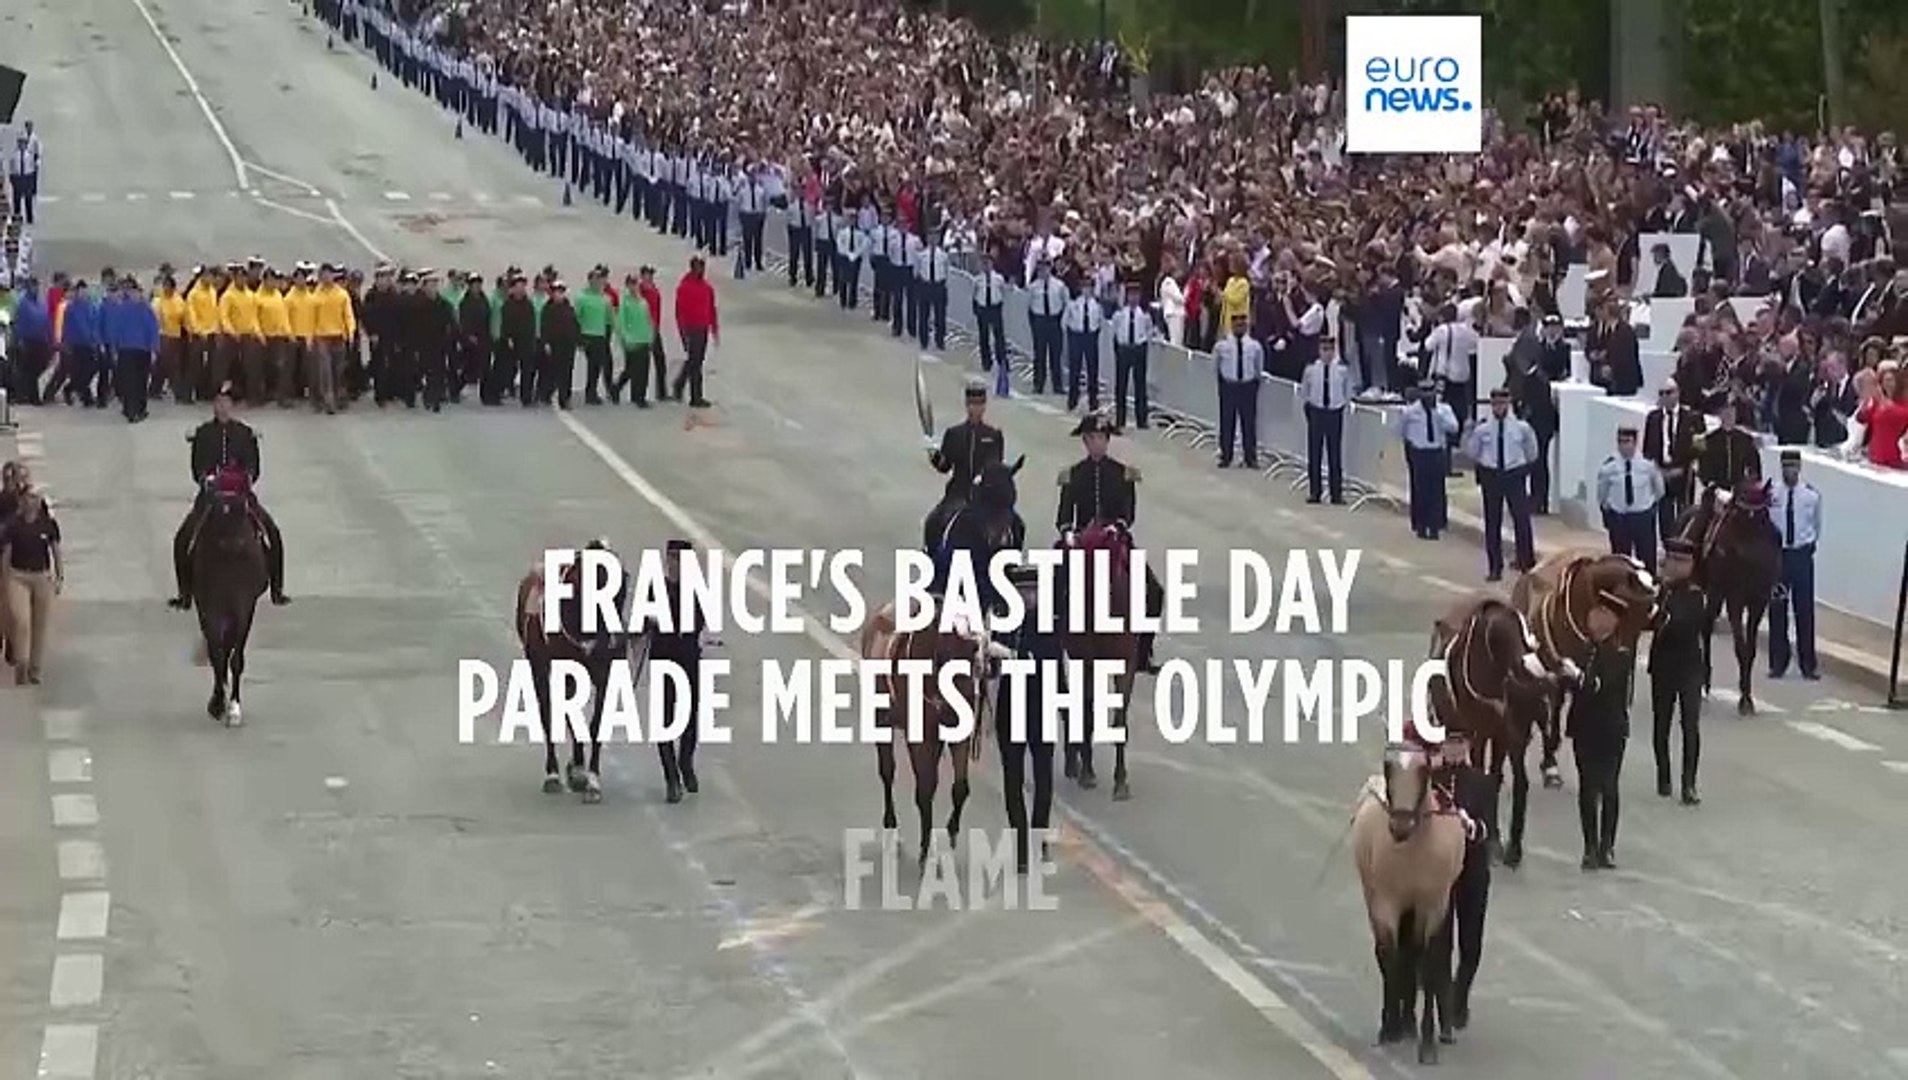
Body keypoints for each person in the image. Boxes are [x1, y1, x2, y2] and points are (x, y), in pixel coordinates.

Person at [1056, 412, 1164, 671]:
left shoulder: (1122, 474)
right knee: (1052, 587)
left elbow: (1128, 513)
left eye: (1102, 438)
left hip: (1115, 540)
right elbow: (1063, 516)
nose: (1097, 443)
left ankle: (1143, 651)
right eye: (1092, 438)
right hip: (1082, 542)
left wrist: (1117, 527)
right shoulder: (1073, 475)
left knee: (1153, 591)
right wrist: (1069, 533)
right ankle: (1051, 643)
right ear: (1085, 441)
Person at [170, 385, 289, 608]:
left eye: (225, 403)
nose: (221, 407)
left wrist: (246, 479)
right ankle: (185, 594)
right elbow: (197, 468)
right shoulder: (203, 433)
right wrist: (207, 481)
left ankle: (277, 589)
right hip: (210, 498)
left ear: (232, 406)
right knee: (182, 539)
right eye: (217, 403)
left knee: (272, 532)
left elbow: (254, 466)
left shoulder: (244, 433)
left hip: (241, 496)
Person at [1436, 728, 1495, 1031]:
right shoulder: (1433, 782)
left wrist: (1472, 827)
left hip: (1472, 871)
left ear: (1468, 746)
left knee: (1471, 945)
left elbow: (1490, 833)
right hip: (1443, 875)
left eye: (1459, 743)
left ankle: (1460, 996)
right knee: (1440, 944)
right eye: (1448, 743)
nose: (1453, 749)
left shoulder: (1482, 782)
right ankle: (1445, 1006)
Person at [642, 538, 705, 804]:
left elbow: (702, 621)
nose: (673, 565)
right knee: (663, 721)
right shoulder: (656, 587)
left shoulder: (696, 590)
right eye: (671, 559)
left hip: (688, 659)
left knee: (690, 718)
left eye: (678, 560)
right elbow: (642, 618)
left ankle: (685, 761)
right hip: (662, 659)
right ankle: (671, 779)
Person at [1568, 609, 1631, 871]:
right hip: (1584, 728)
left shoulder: (1620, 655)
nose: (1593, 623)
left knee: (1609, 787)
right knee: (1587, 788)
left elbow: (1598, 686)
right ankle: (1590, 847)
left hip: (1610, 729)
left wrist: (1575, 675)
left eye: (1600, 619)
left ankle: (1607, 846)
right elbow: (1571, 688)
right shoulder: (1581, 652)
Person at [1648, 537, 1706, 805]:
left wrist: (1660, 616)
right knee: (1661, 724)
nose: (1676, 566)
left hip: (1689, 667)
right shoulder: (1659, 590)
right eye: (1672, 561)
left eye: (1683, 562)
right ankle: (1663, 775)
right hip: (1662, 665)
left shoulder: (1695, 594)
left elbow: (1682, 624)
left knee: (1690, 726)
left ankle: (1689, 783)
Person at [1466, 387, 1539, 582]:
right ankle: (1495, 567)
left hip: (1514, 474)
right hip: (1492, 475)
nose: (1499, 407)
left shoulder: (1521, 428)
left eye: (1502, 403)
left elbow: (1532, 452)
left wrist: (1521, 466)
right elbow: (1472, 452)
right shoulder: (1483, 429)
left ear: (1509, 403)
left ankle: (1526, 561)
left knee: (1521, 520)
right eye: (1496, 403)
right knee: (1492, 522)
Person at [925, 381, 1006, 552]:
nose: (975, 409)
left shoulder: (993, 436)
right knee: (933, 522)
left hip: (985, 496)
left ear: (984, 407)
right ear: (966, 406)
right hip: (958, 493)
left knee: (1015, 525)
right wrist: (935, 457)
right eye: (972, 404)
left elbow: (996, 466)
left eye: (979, 404)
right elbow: (945, 466)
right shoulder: (954, 434)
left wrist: (985, 480)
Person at [1767, 449, 1822, 680]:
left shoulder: (1811, 495)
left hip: (1800, 555)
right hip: (1779, 557)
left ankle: (1807, 664)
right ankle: (1778, 662)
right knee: (1777, 609)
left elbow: (1817, 525)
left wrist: (1808, 546)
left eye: (1793, 467)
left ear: (1799, 468)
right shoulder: (1772, 494)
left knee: (1804, 610)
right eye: (1785, 467)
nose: (1789, 471)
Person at [0, 490, 61, 685]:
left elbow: (55, 550)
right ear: (22, 502)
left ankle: (35, 669)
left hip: (41, 576)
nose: (31, 502)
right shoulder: (13, 525)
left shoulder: (47, 524)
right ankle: (22, 661)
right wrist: (5, 578)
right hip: (18, 576)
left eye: (34, 498)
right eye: (27, 498)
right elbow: (6, 554)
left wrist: (59, 575)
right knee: (21, 620)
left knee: (39, 624)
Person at [1597, 427, 1664, 574]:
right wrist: (1609, 510)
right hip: (1620, 518)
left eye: (1627, 441)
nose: (1624, 446)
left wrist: (1650, 505)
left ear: (1635, 443)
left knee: (1646, 557)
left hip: (1642, 516)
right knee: (1620, 559)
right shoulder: (1609, 467)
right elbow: (1602, 493)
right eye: (1620, 442)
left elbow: (1659, 490)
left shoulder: (1647, 465)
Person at [1642, 381, 1702, 539]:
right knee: (1664, 514)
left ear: (1677, 393)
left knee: (1684, 513)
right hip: (1661, 473)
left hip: (1684, 474)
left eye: (1668, 393)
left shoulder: (1693, 418)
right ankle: (1667, 545)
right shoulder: (1653, 418)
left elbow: (1700, 448)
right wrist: (1657, 470)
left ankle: (1682, 545)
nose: (1665, 397)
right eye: (1661, 393)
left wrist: (1683, 467)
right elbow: (1648, 449)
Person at [1400, 382, 1459, 539]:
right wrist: (1412, 444)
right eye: (1424, 392)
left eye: (1430, 392)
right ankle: (1420, 525)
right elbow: (1401, 430)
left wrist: (1437, 415)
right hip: (1420, 452)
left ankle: (1434, 526)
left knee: (1436, 489)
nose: (1427, 395)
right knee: (1420, 490)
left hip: (1437, 451)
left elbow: (1454, 427)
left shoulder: (1444, 409)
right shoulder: (1410, 411)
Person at [1300, 333, 1351, 504]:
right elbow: (1305, 393)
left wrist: (1342, 405)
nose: (1327, 353)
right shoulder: (1311, 370)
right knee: (1315, 453)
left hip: (1334, 412)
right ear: (1319, 351)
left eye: (1330, 350)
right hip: (1317, 411)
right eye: (1324, 349)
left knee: (1334, 454)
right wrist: (1310, 409)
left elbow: (1347, 393)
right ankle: (1315, 492)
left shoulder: (1342, 371)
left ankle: (1336, 493)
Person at [1212, 311, 1264, 469]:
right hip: (1229, 385)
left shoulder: (1254, 346)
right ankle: (1226, 455)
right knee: (1227, 421)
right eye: (1236, 324)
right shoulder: (1222, 345)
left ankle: (1250, 457)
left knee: (1249, 423)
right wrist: (1222, 383)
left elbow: (1258, 367)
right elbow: (1215, 366)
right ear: (1232, 325)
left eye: (1242, 324)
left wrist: (1255, 383)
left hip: (1247, 386)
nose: (1239, 327)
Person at [1107, 280, 1154, 430]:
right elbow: (1114, 332)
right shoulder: (1120, 314)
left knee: (1140, 384)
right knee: (1121, 384)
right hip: (1124, 348)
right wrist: (1118, 348)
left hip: (1138, 349)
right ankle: (1120, 419)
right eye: (1131, 295)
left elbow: (1148, 332)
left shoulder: (1145, 315)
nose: (1134, 298)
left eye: (1136, 295)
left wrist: (1143, 346)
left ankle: (1142, 419)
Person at [672, 256, 718, 407]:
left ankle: (679, 384)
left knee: (695, 361)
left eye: (702, 267)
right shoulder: (684, 287)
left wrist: (714, 329)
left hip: (702, 328)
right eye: (697, 267)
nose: (700, 270)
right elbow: (679, 312)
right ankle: (695, 396)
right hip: (691, 329)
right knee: (695, 363)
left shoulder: (707, 288)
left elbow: (712, 309)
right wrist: (683, 332)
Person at [1697, 399, 1760, 492]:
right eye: (1726, 413)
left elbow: (1754, 463)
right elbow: (1703, 467)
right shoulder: (1709, 440)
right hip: (1716, 488)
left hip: (1739, 487)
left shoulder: (1745, 439)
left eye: (1732, 412)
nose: (1729, 416)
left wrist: (1750, 482)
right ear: (1720, 415)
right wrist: (1711, 485)